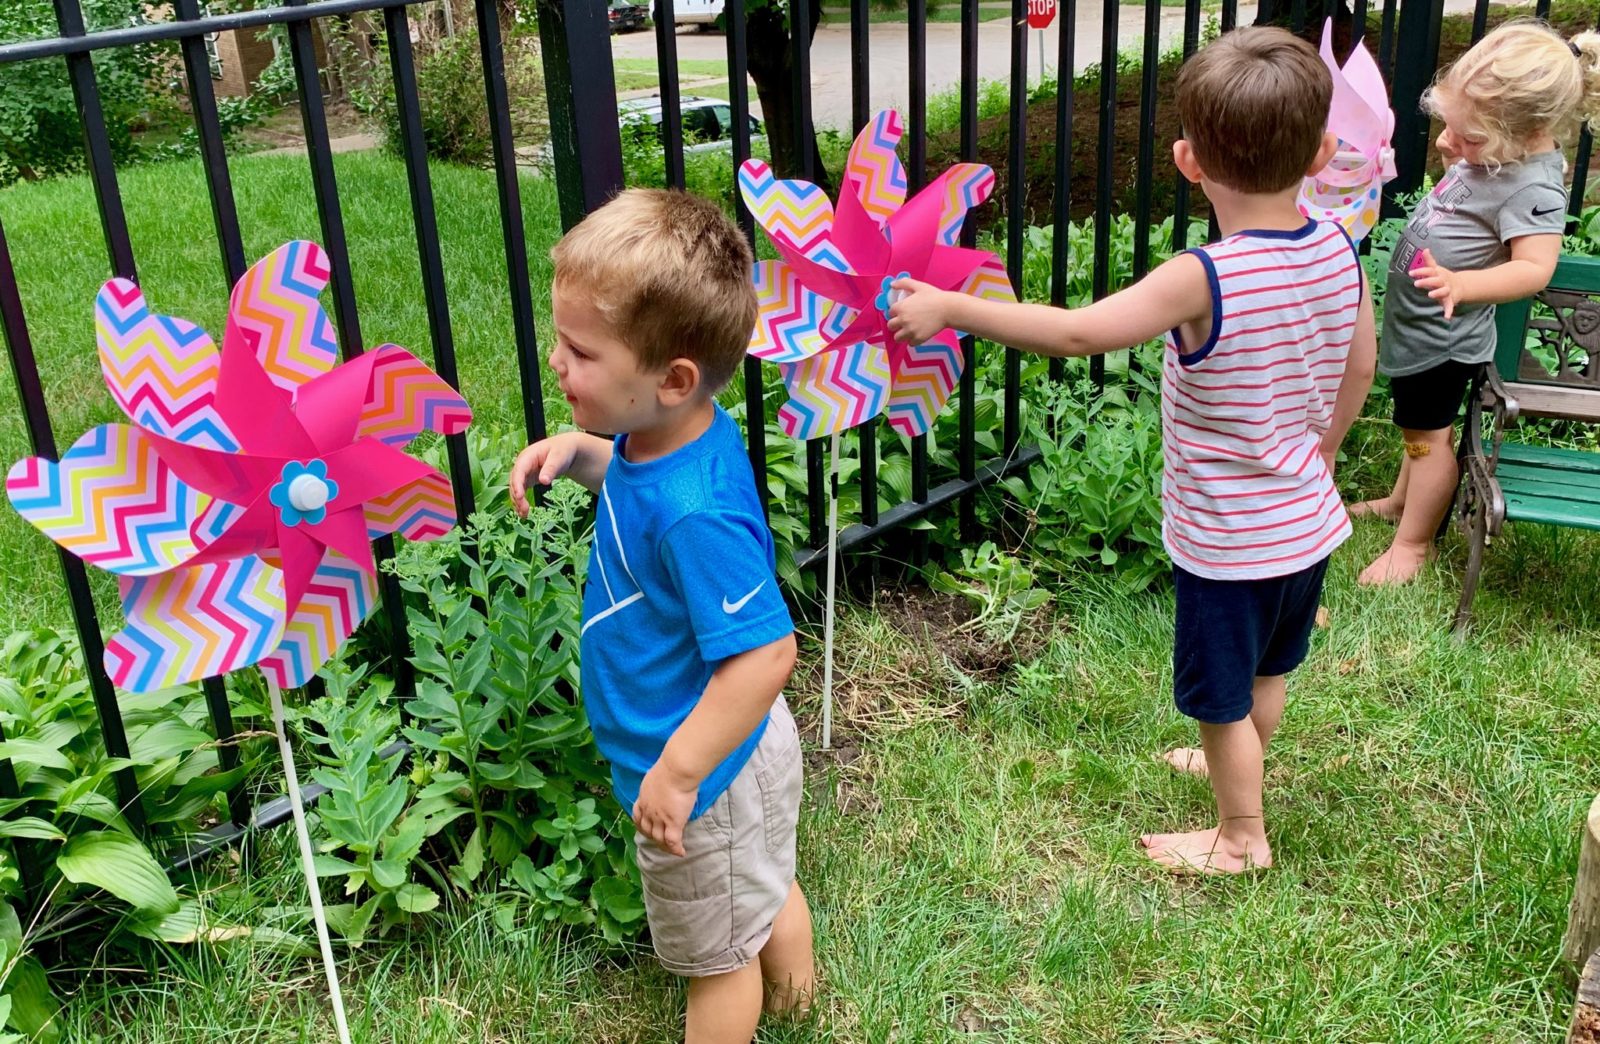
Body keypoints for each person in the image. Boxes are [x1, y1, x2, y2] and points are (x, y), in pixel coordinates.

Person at [888, 27, 1376, 874]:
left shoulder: (1205, 276)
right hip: (1305, 526)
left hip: (1230, 544)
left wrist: (953, 308)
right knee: (1265, 672)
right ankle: (1237, 761)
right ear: (1324, 150)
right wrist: (1325, 447)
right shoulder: (1340, 245)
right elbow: (1362, 364)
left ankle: (1240, 835)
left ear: (1189, 161)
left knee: (1219, 697)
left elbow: (1078, 332)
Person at [509, 189, 814, 1042]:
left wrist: (678, 775)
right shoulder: (667, 440)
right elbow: (641, 498)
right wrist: (581, 457)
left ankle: (762, 1007)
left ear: (670, 379)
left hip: (706, 762)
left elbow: (766, 655)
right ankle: (798, 1009)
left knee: (715, 965)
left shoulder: (694, 510)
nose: (557, 362)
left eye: (579, 350)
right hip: (731, 750)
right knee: (761, 885)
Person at [1355, 21, 1600, 585]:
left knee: (1428, 440)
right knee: (1420, 431)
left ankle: (1414, 546)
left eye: (1465, 139)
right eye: (1450, 128)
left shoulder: (1533, 187)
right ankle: (1402, 503)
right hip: (1422, 330)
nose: (1446, 142)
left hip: (1445, 340)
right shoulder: (1497, 155)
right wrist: (1462, 159)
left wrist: (1464, 285)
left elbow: (1533, 269)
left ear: (1525, 132)